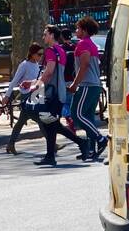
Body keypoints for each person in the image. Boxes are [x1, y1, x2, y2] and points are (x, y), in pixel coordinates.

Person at [33, 25, 90, 166]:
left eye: (45, 34)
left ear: (52, 35)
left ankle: (80, 143)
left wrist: (37, 86)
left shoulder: (51, 51)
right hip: (60, 92)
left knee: (49, 123)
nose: (44, 37)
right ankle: (51, 155)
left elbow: (49, 71)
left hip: (50, 92)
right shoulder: (61, 50)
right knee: (52, 124)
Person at [67, 17, 107, 161]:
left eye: (78, 28)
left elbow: (84, 66)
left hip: (87, 85)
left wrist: (74, 85)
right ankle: (91, 149)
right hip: (94, 85)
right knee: (88, 116)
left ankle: (100, 139)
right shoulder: (91, 44)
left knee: (76, 114)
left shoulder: (83, 44)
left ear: (84, 31)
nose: (76, 31)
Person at [4, 43, 42, 154]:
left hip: (36, 95)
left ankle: (10, 144)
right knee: (40, 119)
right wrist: (7, 95)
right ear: (32, 54)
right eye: (39, 54)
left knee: (21, 121)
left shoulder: (37, 65)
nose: (41, 57)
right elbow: (15, 80)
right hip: (27, 96)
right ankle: (52, 145)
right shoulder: (24, 65)